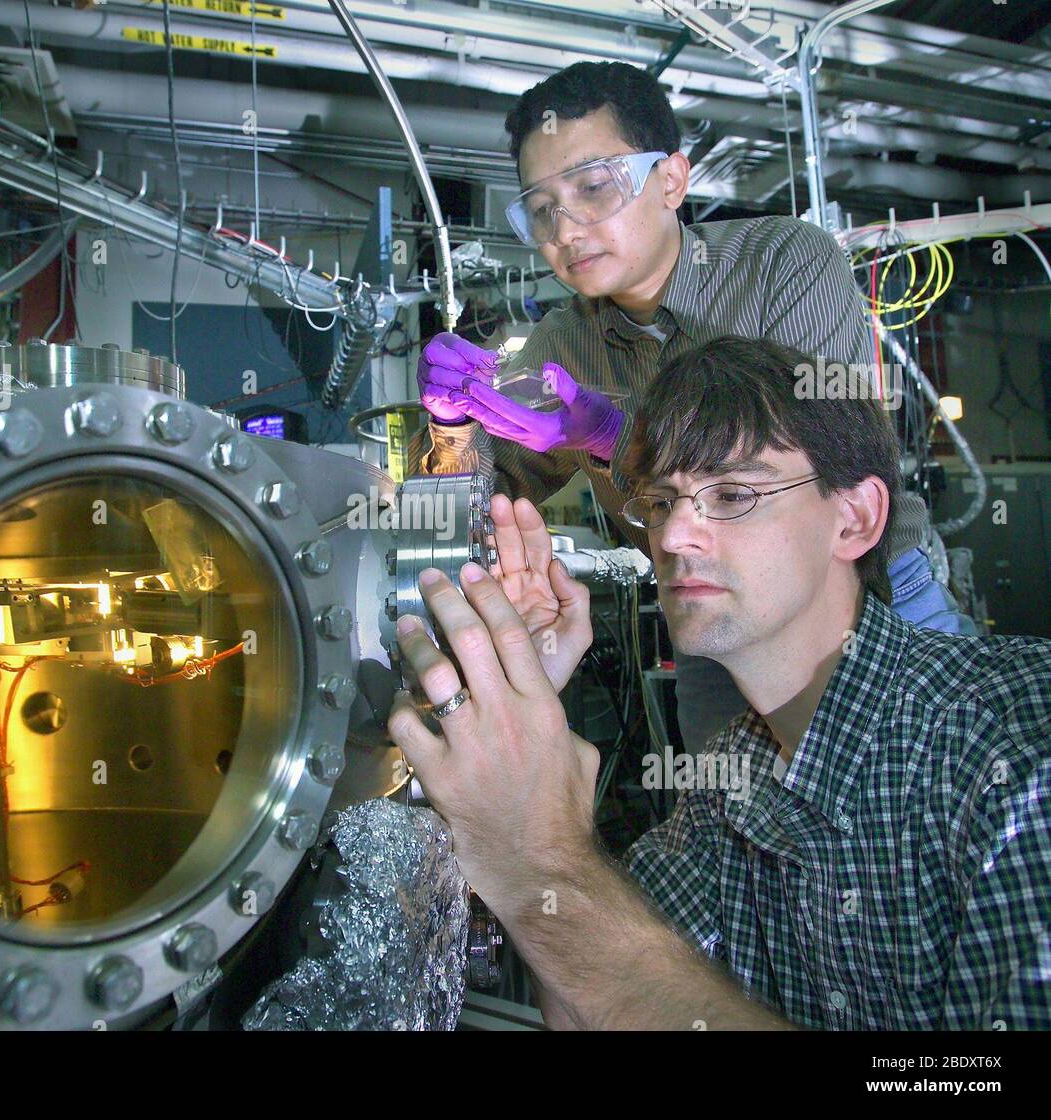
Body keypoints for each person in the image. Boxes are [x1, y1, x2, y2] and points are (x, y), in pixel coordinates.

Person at [389, 336, 1051, 1030]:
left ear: (854, 518)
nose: (673, 537)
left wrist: (542, 860)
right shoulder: (725, 786)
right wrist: (520, 711)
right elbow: (595, 1007)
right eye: (662, 502)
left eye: (732, 494)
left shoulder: (1014, 746)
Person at [409, 59, 974, 756]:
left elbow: (809, 459)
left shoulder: (784, 263)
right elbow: (458, 508)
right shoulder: (563, 342)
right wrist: (449, 424)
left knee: (947, 786)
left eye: (592, 187)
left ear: (671, 180)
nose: (567, 229)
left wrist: (614, 434)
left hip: (873, 594)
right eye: (543, 208)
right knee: (734, 828)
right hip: (714, 624)